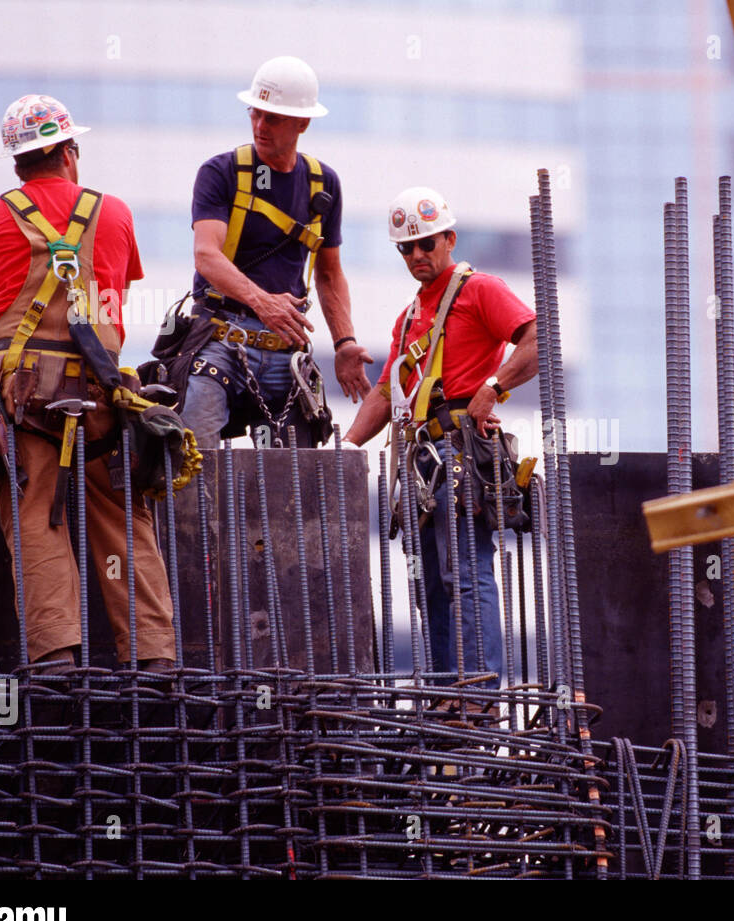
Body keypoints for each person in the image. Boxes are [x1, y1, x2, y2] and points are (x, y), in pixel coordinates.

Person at [0, 94, 176, 673]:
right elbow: (113, 303)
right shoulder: (117, 213)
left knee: (36, 516)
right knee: (122, 518)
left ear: (17, 164)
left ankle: (57, 658)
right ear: (69, 153)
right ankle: (154, 660)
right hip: (104, 394)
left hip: (25, 397)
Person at [347, 187, 538, 689]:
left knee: (466, 575)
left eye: (426, 244)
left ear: (449, 238)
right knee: (430, 583)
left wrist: (493, 388)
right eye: (405, 249)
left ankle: (477, 695)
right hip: (420, 459)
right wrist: (344, 452)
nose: (415, 256)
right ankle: (442, 698)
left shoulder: (480, 289)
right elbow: (387, 393)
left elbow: (541, 339)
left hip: (459, 451)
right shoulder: (409, 317)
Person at [178, 55, 372, 449]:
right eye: (256, 113)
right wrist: (261, 301)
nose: (260, 126)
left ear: (303, 123)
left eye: (274, 118)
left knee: (294, 478)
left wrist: (345, 342)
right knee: (196, 455)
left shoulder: (323, 183)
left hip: (286, 347)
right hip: (221, 339)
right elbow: (207, 255)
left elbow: (329, 273)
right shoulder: (222, 173)